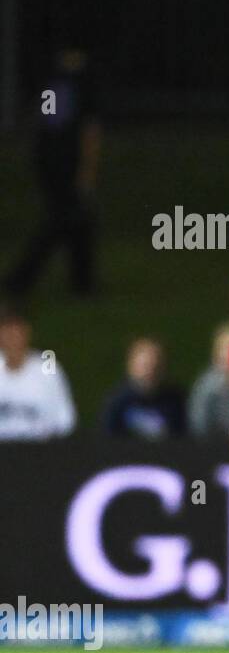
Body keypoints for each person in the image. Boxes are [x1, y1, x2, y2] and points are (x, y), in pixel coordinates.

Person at [4, 48, 101, 298]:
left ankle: (82, 283)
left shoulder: (55, 80)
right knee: (62, 222)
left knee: (77, 222)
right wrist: (87, 171)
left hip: (50, 163)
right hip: (63, 165)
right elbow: (88, 131)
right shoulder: (79, 82)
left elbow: (45, 124)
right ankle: (22, 280)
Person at [0, 307, 77, 440]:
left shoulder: (48, 366)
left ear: (26, 333)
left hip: (38, 450)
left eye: (16, 332)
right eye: (7, 332)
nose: (12, 339)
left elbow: (65, 419)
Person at [101, 337, 187, 440]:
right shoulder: (117, 402)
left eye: (156, 366)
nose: (150, 372)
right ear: (131, 366)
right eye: (145, 366)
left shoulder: (177, 400)